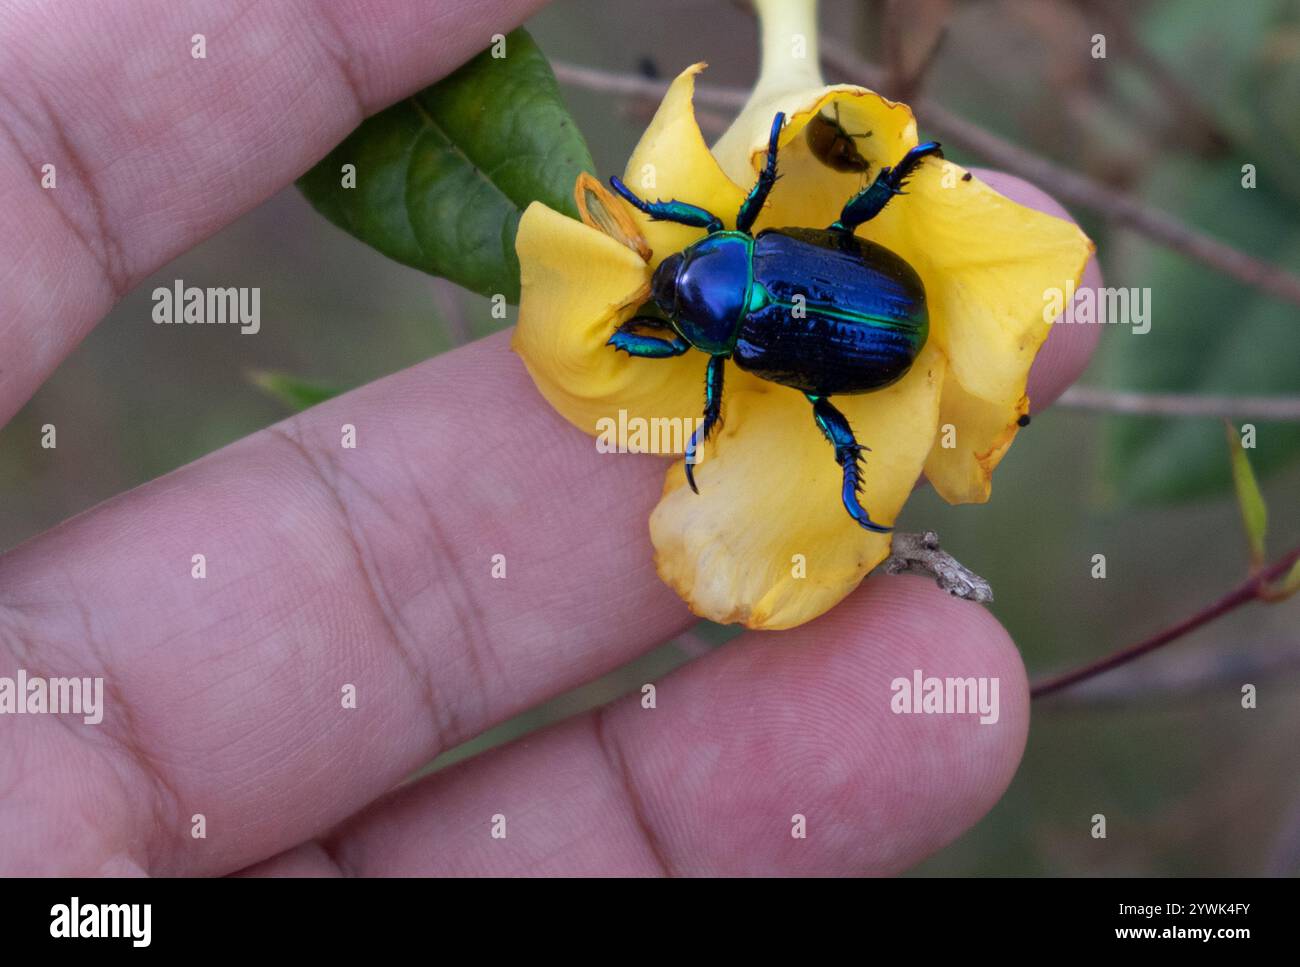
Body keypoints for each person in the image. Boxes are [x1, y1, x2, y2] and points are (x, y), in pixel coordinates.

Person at [0, 0, 1100, 875]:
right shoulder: (742, 250)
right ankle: (851, 482)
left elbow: (728, 302)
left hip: (861, 307)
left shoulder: (725, 276)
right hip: (864, 305)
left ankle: (850, 482)